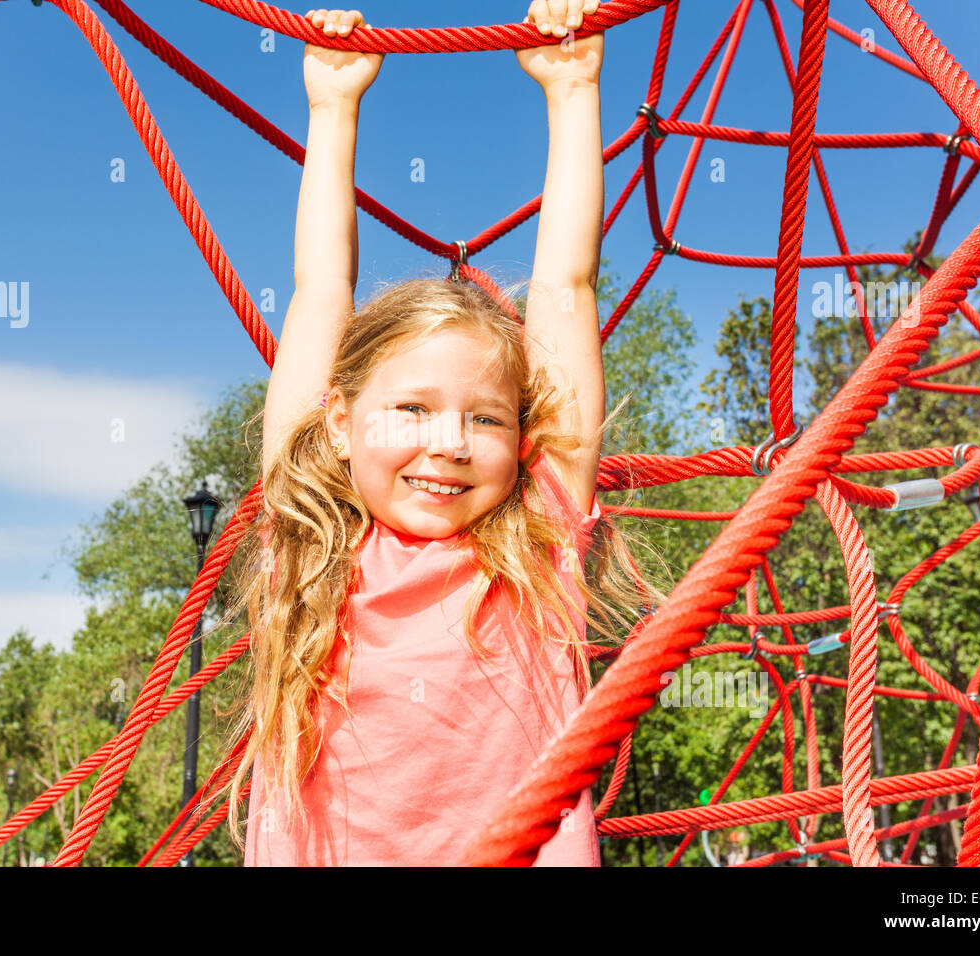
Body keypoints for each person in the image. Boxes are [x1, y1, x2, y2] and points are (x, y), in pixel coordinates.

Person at [218, 2, 657, 865]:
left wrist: (573, 91)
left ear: (525, 437)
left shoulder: (534, 545)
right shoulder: (312, 544)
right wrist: (332, 109)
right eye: (410, 410)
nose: (449, 441)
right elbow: (318, 290)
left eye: (486, 417)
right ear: (338, 422)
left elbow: (567, 289)